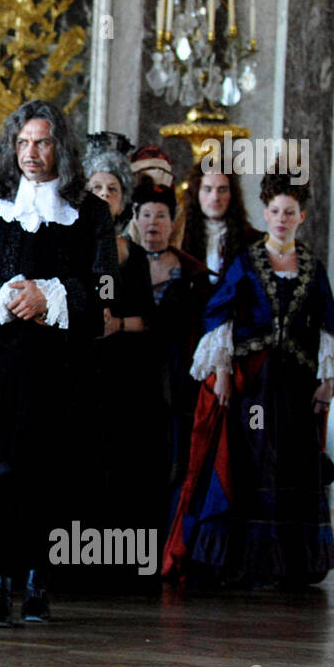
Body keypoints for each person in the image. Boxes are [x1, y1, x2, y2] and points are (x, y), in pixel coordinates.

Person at [0, 100, 116, 627]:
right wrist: (1, 295)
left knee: (50, 477)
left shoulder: (91, 214)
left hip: (63, 367)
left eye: (42, 142)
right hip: (3, 366)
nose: (31, 152)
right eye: (22, 142)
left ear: (59, 147)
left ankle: (38, 583)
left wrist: (52, 296)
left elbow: (104, 289)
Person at [165, 171, 334, 588]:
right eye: (276, 211)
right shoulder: (246, 262)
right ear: (265, 213)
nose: (282, 219)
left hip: (296, 385)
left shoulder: (312, 267)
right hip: (256, 384)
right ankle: (247, 563)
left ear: (301, 216)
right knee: (253, 459)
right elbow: (218, 314)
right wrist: (223, 371)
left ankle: (291, 565)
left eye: (290, 212)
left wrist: (327, 382)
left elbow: (329, 324)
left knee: (294, 464)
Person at [77, 142, 163, 591]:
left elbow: (149, 319)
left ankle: (123, 567)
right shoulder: (72, 247)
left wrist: (117, 324)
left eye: (112, 188)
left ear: (124, 199)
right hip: (82, 371)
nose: (104, 194)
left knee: (126, 464)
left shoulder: (136, 255)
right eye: (96, 187)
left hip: (127, 374)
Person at [133, 180, 211, 492]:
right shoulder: (121, 266)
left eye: (161, 215)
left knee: (172, 453)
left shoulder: (191, 272)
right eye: (147, 215)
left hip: (175, 374)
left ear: (173, 222)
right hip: (130, 369)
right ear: (136, 218)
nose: (153, 222)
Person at [179, 163, 263, 285]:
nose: (215, 197)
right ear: (196, 193)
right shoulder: (181, 239)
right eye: (208, 189)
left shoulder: (252, 240)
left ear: (232, 195)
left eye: (222, 190)